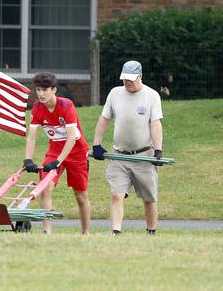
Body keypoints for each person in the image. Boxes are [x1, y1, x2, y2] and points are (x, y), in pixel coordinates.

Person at [91, 60, 164, 235]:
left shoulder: (151, 95)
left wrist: (158, 149)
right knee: (116, 194)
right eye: (125, 79)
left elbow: (155, 124)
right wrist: (97, 145)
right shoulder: (115, 93)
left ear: (140, 76)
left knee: (149, 199)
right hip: (120, 156)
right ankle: (116, 232)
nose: (127, 83)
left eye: (131, 79)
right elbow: (104, 119)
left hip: (144, 155)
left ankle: (151, 231)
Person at [23, 72, 91, 234]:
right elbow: (31, 137)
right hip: (55, 150)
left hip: (76, 152)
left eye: (45, 90)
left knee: (80, 195)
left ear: (54, 90)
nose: (41, 94)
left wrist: (59, 162)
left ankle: (86, 233)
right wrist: (28, 159)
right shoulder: (37, 108)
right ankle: (47, 231)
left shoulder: (66, 106)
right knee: (45, 188)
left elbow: (71, 139)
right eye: (38, 90)